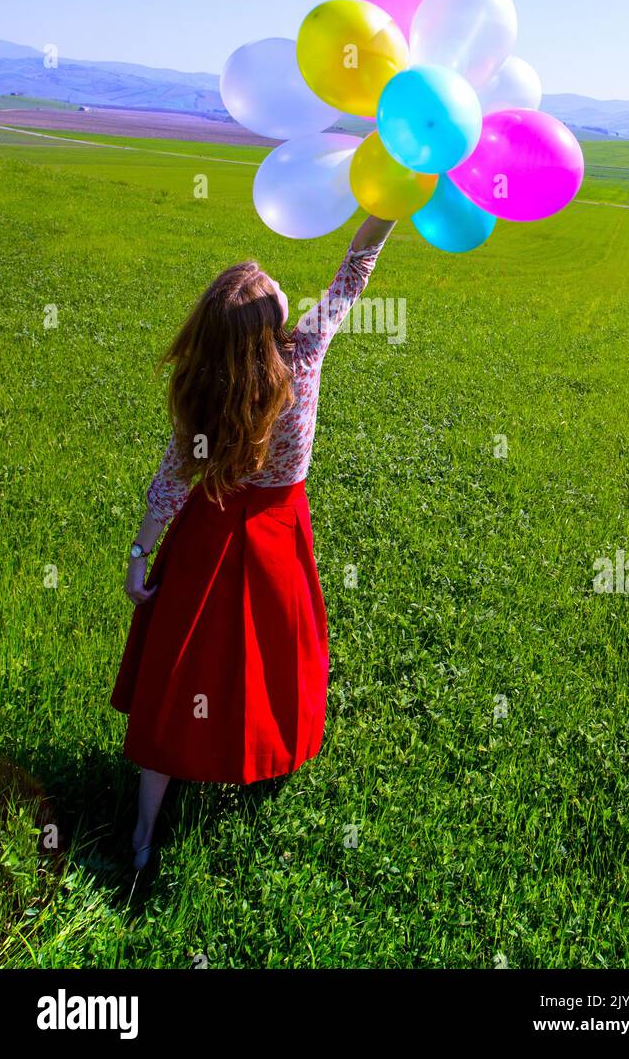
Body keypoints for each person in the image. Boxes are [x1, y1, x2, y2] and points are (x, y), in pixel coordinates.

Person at [110, 214, 395, 870]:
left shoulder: (205, 388)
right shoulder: (302, 357)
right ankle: (263, 760)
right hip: (275, 537)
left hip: (206, 536)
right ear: (269, 322)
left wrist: (137, 557)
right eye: (270, 286)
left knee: (182, 673)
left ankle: (144, 832)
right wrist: (383, 203)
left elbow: (170, 481)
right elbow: (353, 271)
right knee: (273, 657)